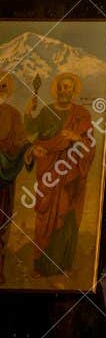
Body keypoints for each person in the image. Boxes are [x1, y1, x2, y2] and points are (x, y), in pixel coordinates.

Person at [23, 72, 96, 277]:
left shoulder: (81, 114)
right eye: (61, 87)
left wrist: (76, 138)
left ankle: (63, 265)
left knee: (67, 217)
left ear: (74, 91)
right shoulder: (46, 112)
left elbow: (90, 145)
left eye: (68, 87)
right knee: (45, 215)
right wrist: (28, 113)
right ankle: (41, 266)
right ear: (56, 89)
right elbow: (32, 133)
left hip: (71, 173)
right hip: (49, 171)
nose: (64, 91)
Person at [0, 74, 26, 285]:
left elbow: (21, 142)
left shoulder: (14, 114)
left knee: (2, 223)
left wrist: (29, 150)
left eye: (3, 85)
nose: (0, 89)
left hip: (4, 179)